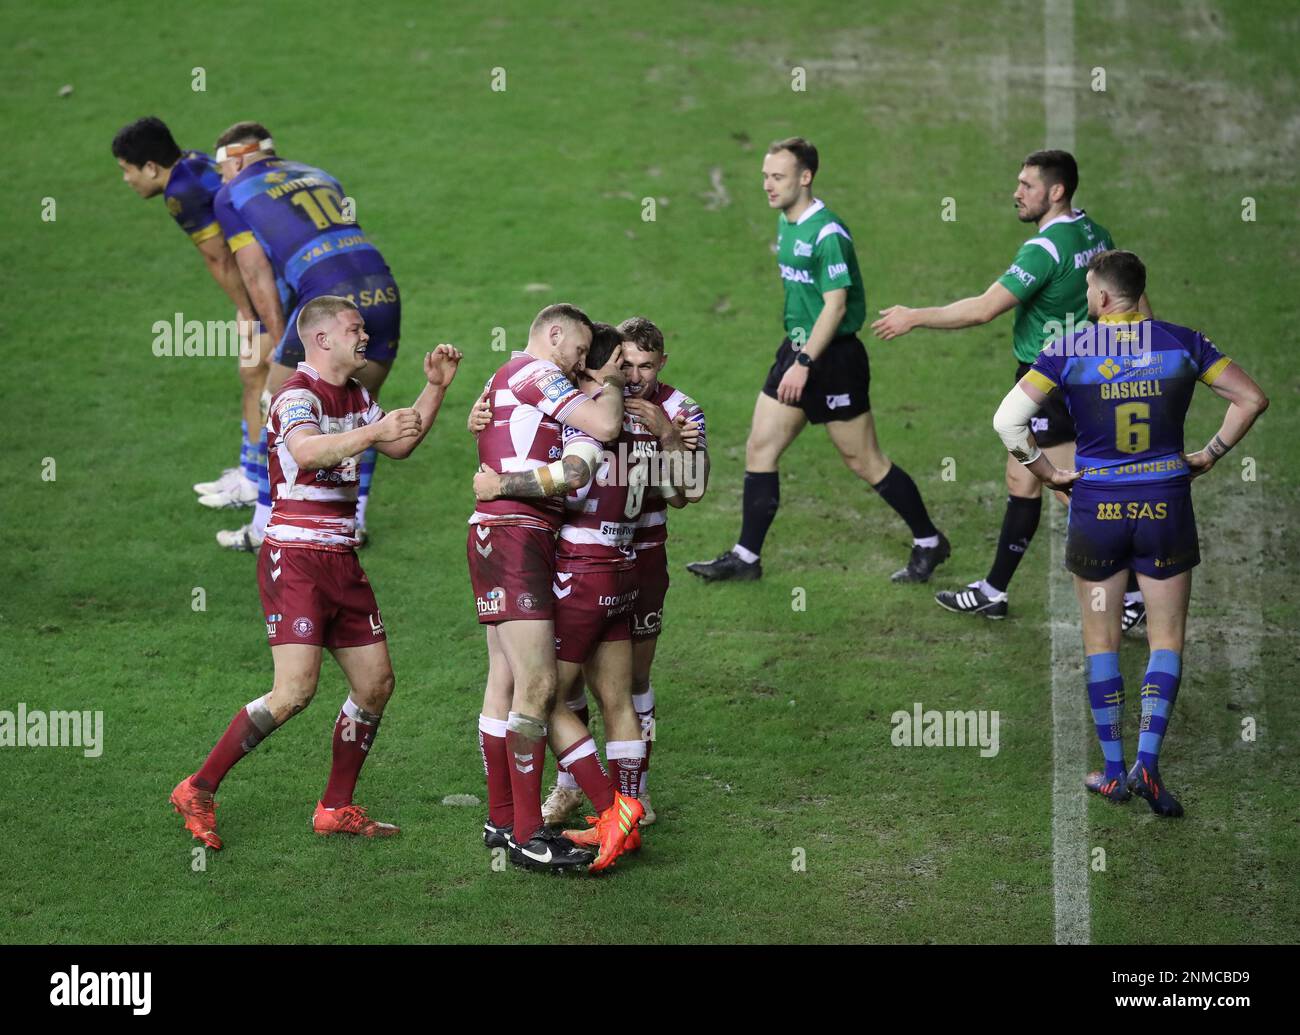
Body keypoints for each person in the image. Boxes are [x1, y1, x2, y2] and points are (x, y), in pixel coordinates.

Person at [169, 296, 462, 848]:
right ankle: (198, 787)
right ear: (322, 338)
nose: (365, 337)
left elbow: (399, 442)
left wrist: (436, 388)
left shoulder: (356, 396)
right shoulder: (294, 396)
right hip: (296, 560)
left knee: (375, 685)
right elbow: (307, 453)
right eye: (355, 328)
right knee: (294, 691)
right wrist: (372, 434)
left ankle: (335, 806)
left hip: (341, 561)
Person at [992, 250, 1267, 816]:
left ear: (1098, 298)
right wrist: (1211, 454)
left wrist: (1047, 474)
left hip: (1097, 511)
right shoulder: (1183, 341)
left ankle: (1115, 771)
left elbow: (1007, 421)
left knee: (1101, 642)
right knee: (1166, 638)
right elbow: (1251, 399)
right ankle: (1149, 763)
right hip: (1166, 505)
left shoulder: (1070, 348)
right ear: (1139, 294)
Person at [875, 150, 1154, 626]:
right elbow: (1134, 302)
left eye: (1027, 185)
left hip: (1050, 384)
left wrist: (914, 316)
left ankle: (1132, 596)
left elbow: (985, 308)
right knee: (1022, 481)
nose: (1017, 193)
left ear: (1056, 191)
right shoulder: (1095, 234)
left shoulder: (1043, 250)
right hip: (1074, 375)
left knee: (1075, 494)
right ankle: (994, 590)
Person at [688, 137, 948, 585]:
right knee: (760, 447)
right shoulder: (787, 223)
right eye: (766, 177)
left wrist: (805, 362)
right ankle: (746, 557)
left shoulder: (827, 234)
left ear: (805, 178)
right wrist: (797, 354)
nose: (768, 186)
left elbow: (836, 305)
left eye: (778, 177)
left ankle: (929, 541)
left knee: (864, 460)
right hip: (798, 350)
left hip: (831, 359)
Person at [467, 304, 634, 872]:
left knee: (507, 681)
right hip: (515, 535)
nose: (580, 363)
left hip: (509, 535)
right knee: (539, 684)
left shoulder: (515, 380)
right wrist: (608, 383)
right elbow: (605, 429)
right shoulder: (539, 373)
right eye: (578, 350)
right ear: (554, 335)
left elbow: (575, 462)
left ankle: (501, 820)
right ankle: (527, 834)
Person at [539, 316, 708, 827]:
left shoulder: (680, 411)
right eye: (626, 364)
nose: (634, 377)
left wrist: (668, 438)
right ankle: (572, 786)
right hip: (578, 553)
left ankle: (637, 793)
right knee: (571, 682)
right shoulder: (588, 395)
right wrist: (480, 416)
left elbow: (687, 494)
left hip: (643, 554)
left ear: (663, 364)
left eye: (646, 367)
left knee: (630, 680)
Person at [209, 122, 401, 551]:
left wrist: (281, 343)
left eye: (223, 171)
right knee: (357, 412)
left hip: (330, 295)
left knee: (277, 406)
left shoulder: (232, 193)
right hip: (383, 288)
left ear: (236, 161)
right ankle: (353, 524)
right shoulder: (320, 175)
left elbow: (256, 273)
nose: (223, 180)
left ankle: (263, 528)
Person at [112, 116, 271, 508]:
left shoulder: (178, 194)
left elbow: (220, 259)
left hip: (272, 281)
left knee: (258, 376)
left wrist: (247, 311)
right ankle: (250, 473)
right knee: (253, 375)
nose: (126, 179)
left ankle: (259, 483)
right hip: (271, 272)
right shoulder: (195, 162)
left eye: (126, 170)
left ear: (151, 167)